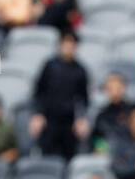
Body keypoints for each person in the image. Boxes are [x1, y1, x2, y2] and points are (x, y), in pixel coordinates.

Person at [30, 31, 90, 161]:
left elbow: (84, 99)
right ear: (60, 45)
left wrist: (81, 119)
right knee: (47, 158)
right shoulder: (49, 66)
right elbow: (38, 92)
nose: (68, 47)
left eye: (72, 44)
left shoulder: (80, 70)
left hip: (69, 123)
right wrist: (38, 115)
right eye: (66, 43)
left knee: (69, 158)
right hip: (49, 121)